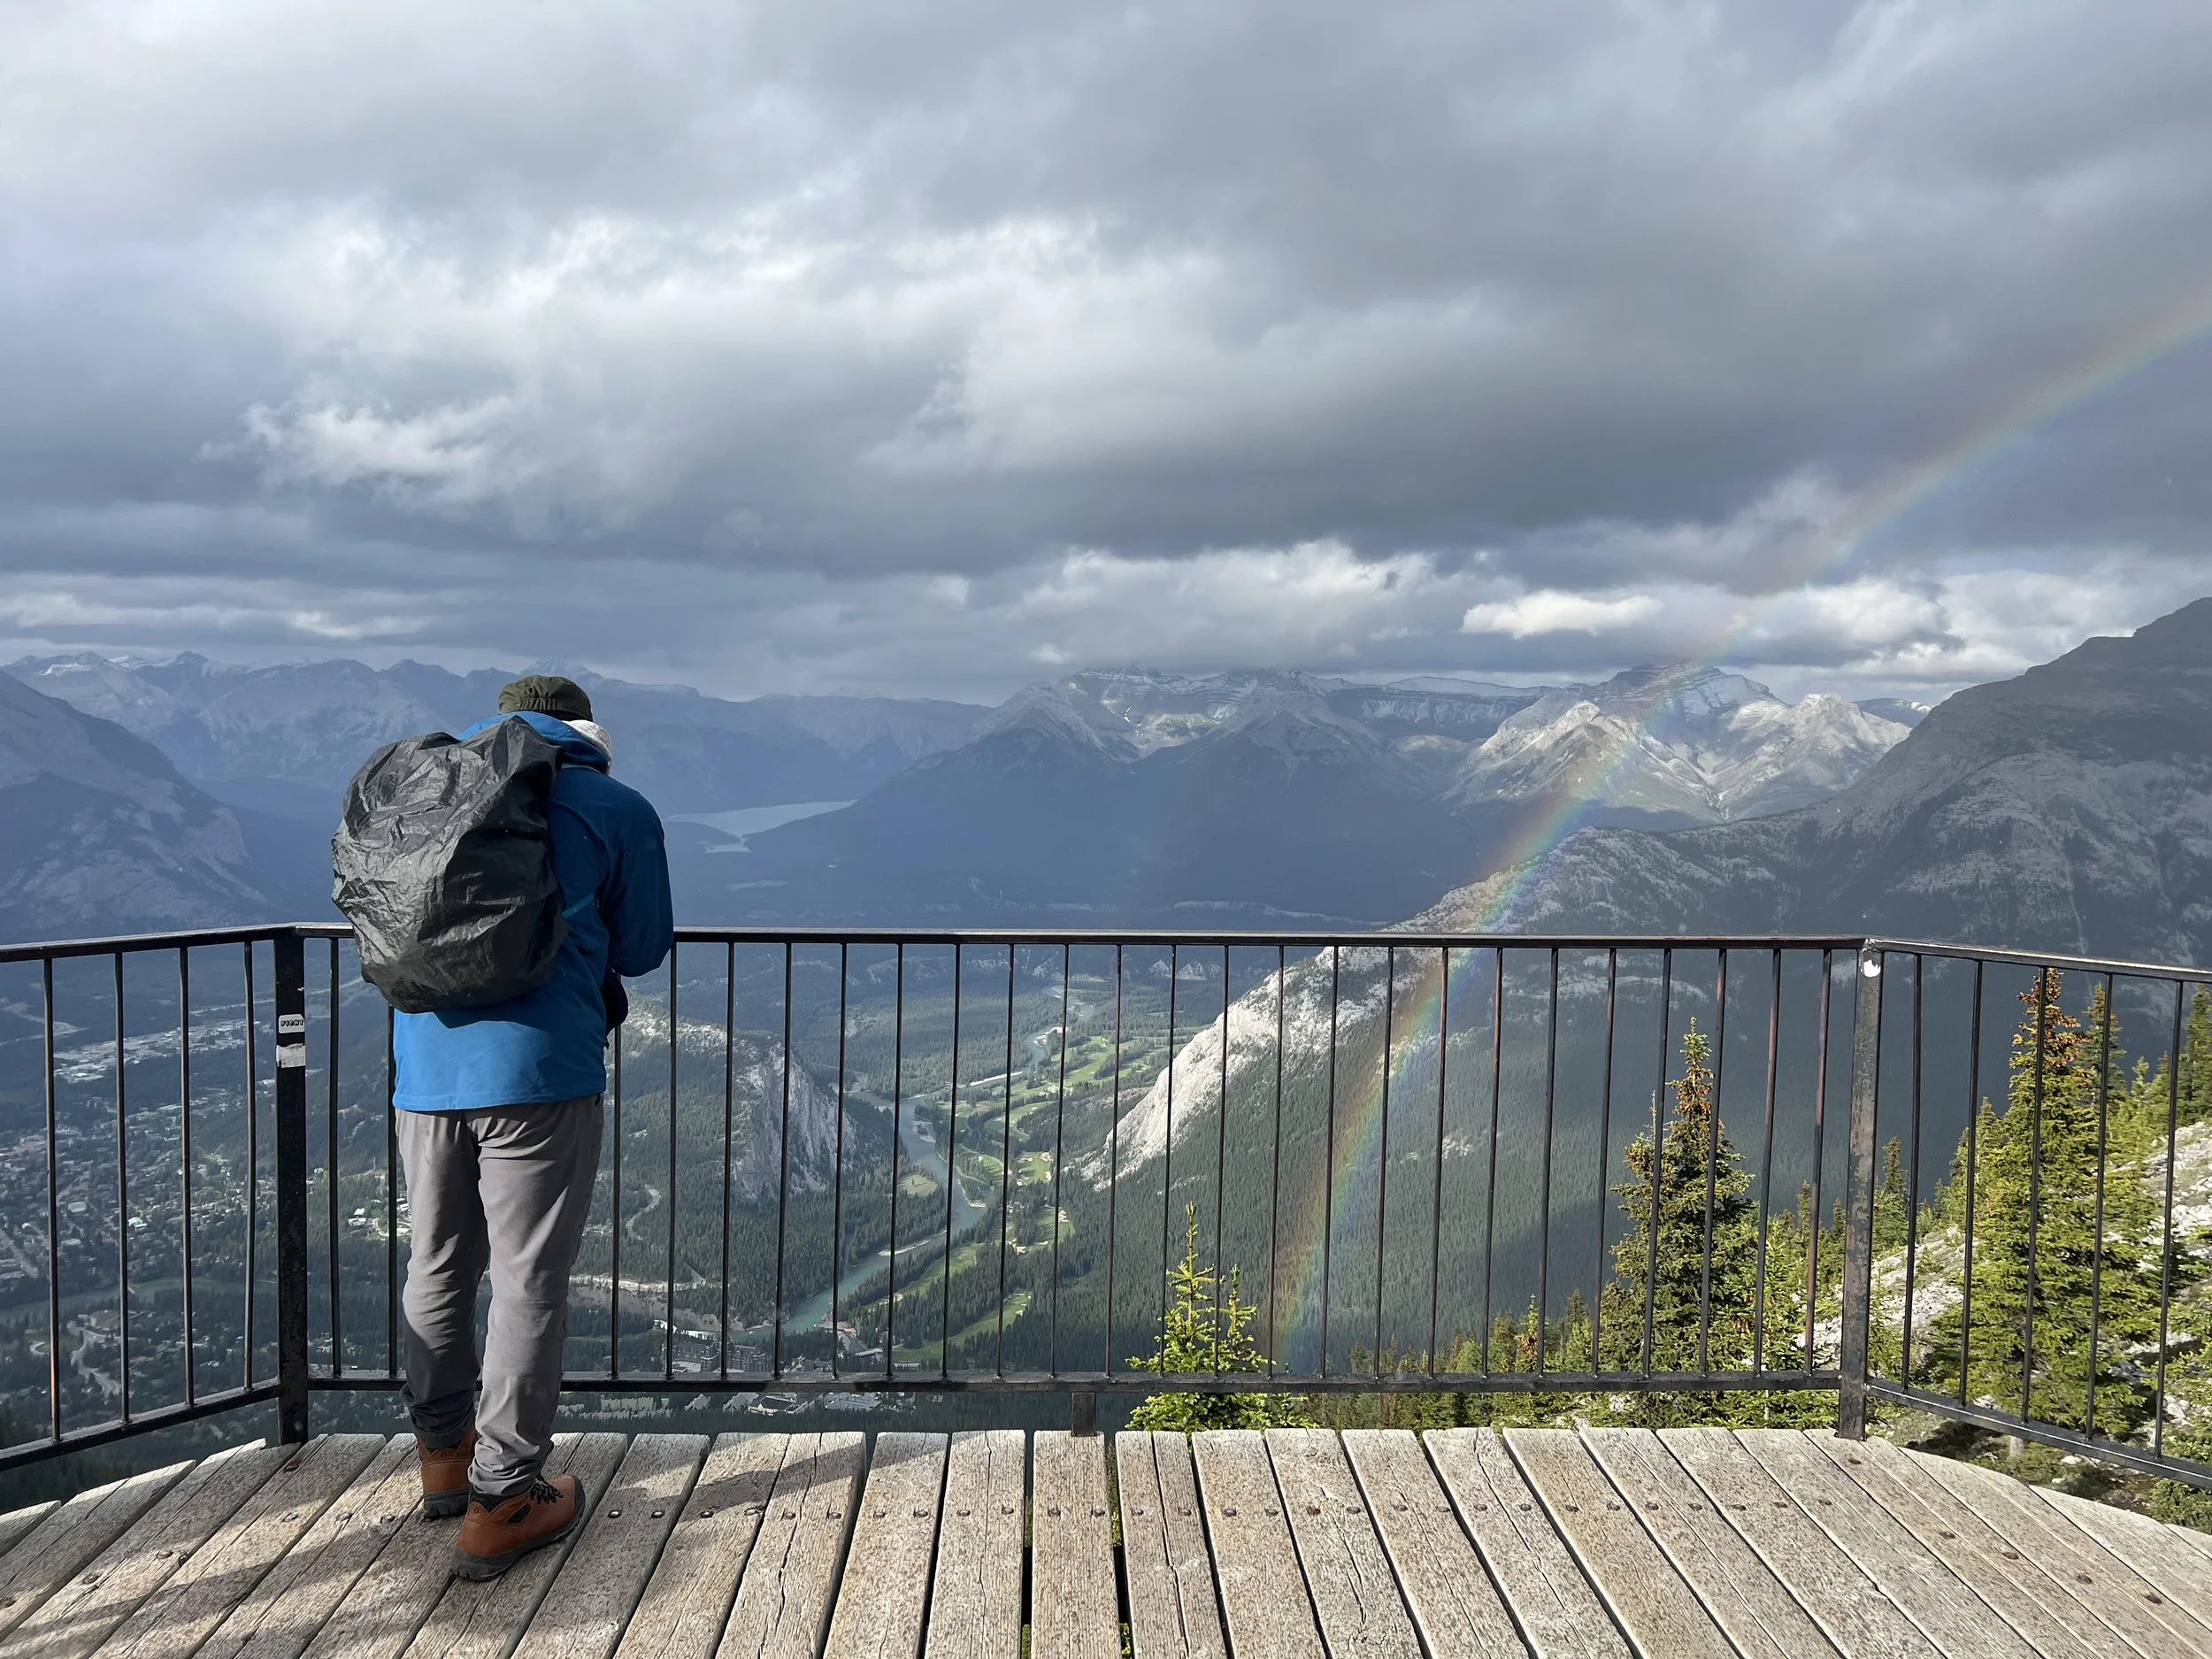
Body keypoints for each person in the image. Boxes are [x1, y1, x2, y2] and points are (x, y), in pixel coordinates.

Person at [392, 673, 672, 1579]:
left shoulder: (432, 788)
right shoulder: (611, 804)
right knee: (527, 1281)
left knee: (435, 1261)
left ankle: (442, 1457)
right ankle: (504, 1494)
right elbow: (640, 947)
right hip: (540, 1073)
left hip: (423, 1068)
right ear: (585, 729)